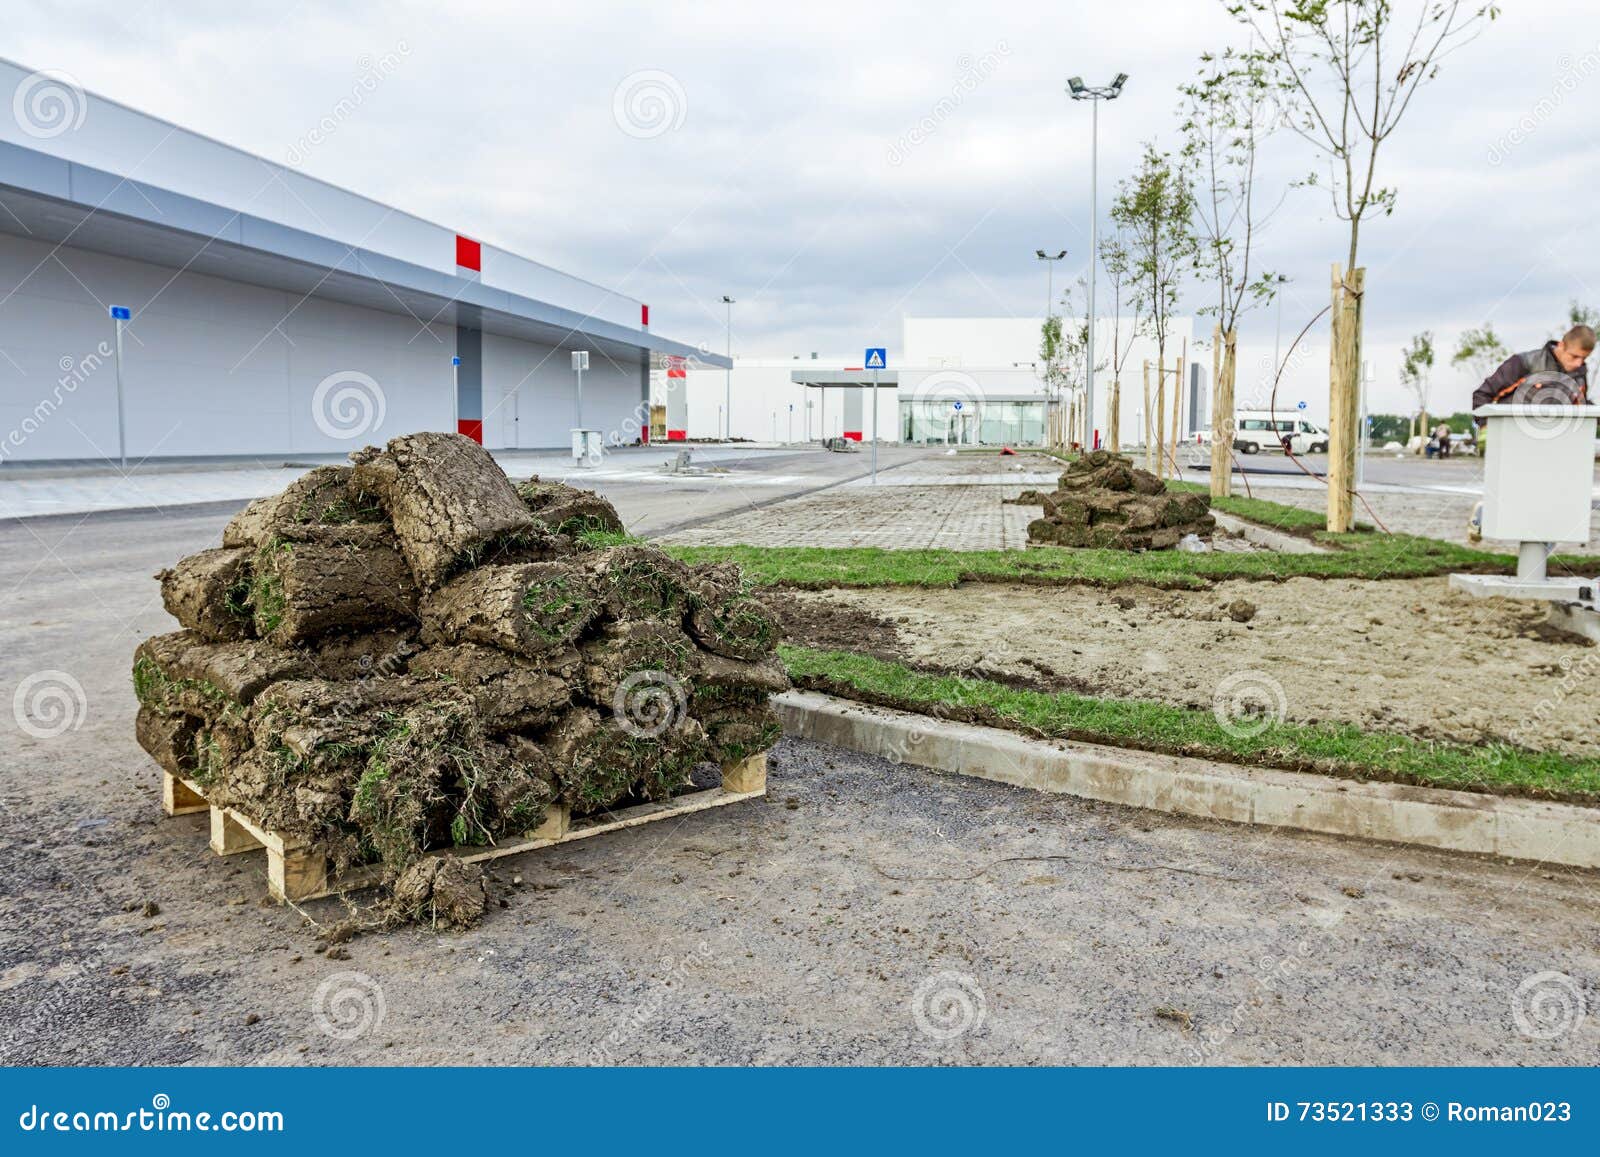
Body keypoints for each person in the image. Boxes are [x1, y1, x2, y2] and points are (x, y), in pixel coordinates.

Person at [1471, 324, 1594, 409]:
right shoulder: (1524, 362)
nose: (1579, 363)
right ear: (1561, 345)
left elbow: (1582, 408)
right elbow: (1482, 395)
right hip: (1511, 437)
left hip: (1553, 440)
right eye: (1574, 356)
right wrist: (1485, 429)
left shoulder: (1579, 375)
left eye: (1584, 358)